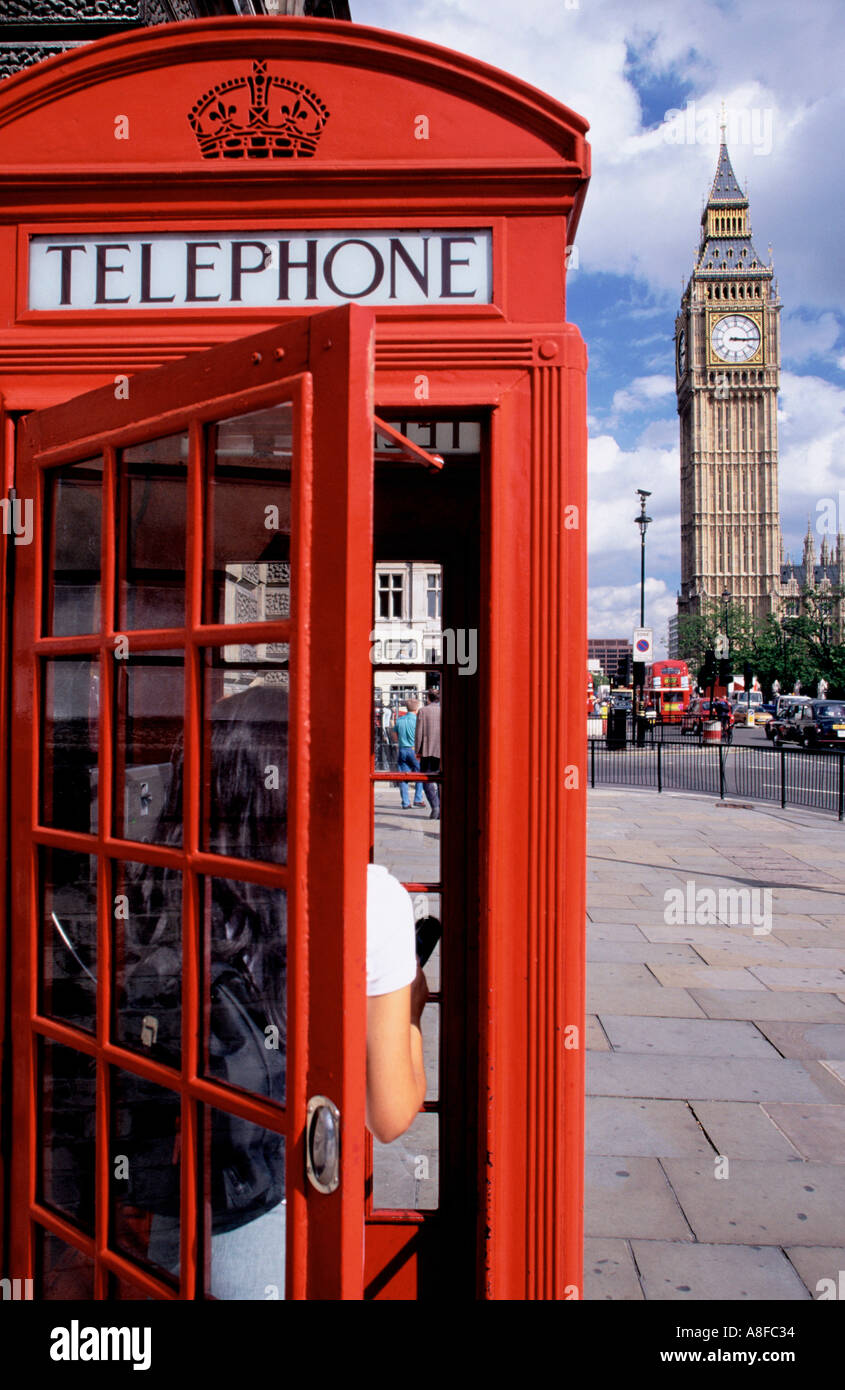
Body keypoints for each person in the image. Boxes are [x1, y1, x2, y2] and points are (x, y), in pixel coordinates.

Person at [122, 680, 427, 1296]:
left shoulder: (168, 885)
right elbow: (390, 1114)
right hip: (280, 1202)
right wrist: (413, 1007)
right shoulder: (371, 900)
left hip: (174, 1200)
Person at [392, 697, 426, 810]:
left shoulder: (399, 720)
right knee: (419, 775)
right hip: (414, 750)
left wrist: (400, 742)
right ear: (416, 708)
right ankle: (418, 799)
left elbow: (394, 736)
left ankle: (405, 803)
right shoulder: (418, 720)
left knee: (403, 777)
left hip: (402, 749)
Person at [415, 688, 441, 820]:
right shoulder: (445, 710)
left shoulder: (423, 711)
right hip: (442, 750)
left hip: (428, 750)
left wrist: (417, 751)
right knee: (442, 780)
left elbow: (419, 732)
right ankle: (442, 807)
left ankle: (435, 806)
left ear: (428, 698)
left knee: (426, 780)